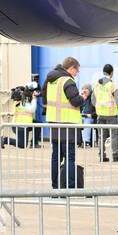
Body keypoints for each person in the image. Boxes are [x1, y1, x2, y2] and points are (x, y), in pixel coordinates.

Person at [43, 57, 88, 190]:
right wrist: (84, 97)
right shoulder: (68, 81)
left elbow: (44, 99)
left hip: (54, 123)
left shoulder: (51, 80)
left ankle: (55, 187)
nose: (77, 73)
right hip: (68, 124)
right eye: (77, 70)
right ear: (71, 68)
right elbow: (75, 101)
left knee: (56, 157)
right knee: (69, 157)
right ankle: (69, 187)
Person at [94, 64, 118, 162]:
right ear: (111, 73)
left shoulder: (97, 84)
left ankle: (101, 156)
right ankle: (115, 156)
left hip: (100, 113)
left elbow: (93, 99)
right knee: (114, 135)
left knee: (101, 136)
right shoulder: (112, 85)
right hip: (111, 114)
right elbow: (117, 98)